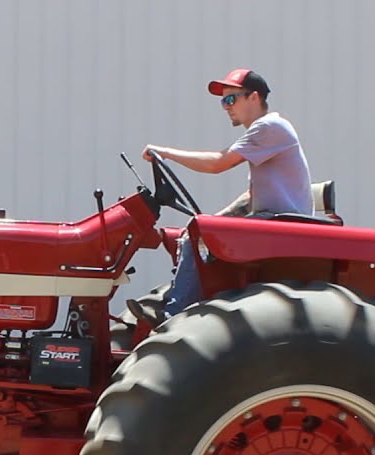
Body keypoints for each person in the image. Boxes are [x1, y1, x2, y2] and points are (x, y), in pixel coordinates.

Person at [130, 68, 311, 325]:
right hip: (272, 220)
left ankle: (171, 316)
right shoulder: (266, 133)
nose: (226, 107)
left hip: (282, 225)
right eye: (223, 101)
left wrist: (165, 153)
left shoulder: (270, 126)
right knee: (194, 235)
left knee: (199, 236)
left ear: (254, 97)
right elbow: (251, 196)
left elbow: (218, 163)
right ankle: (181, 304)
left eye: (231, 99)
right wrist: (213, 221)